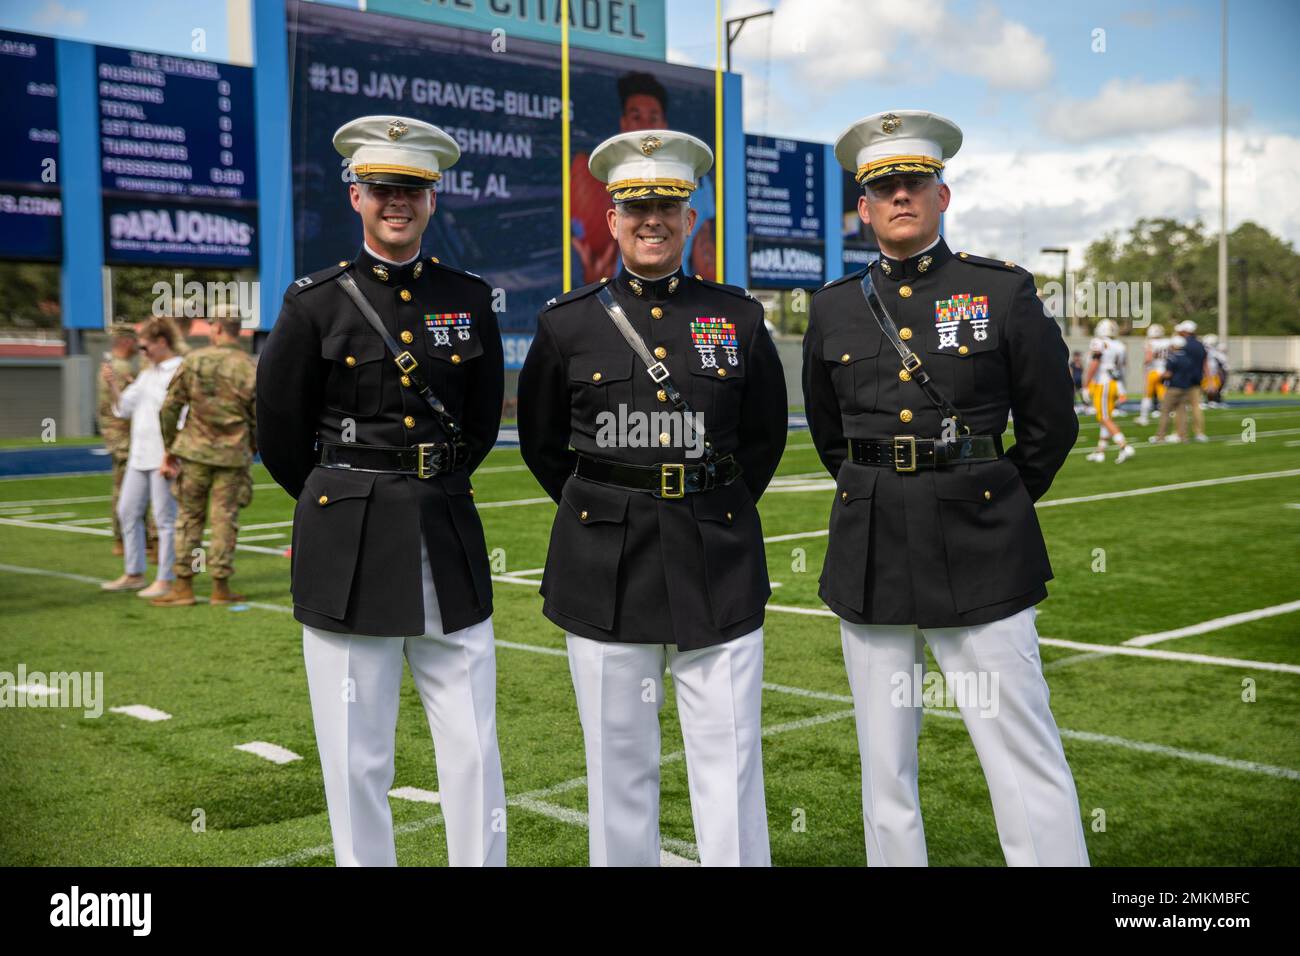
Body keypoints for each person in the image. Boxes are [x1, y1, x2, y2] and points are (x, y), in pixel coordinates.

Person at [802, 110, 1089, 866]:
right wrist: (883, 485)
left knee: (1020, 747)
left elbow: (1050, 424)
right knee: (884, 763)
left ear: (942, 195)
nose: (901, 196)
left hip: (981, 539)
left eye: (915, 183)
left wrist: (988, 492)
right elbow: (832, 434)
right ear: (863, 207)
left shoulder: (1001, 291)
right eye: (884, 186)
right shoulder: (833, 306)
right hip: (871, 544)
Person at [518, 129, 788, 866]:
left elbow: (761, 440)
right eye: (636, 206)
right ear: (612, 220)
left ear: (690, 219)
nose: (652, 220)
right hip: (603, 557)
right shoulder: (566, 323)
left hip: (717, 552)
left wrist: (704, 497)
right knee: (618, 768)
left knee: (728, 762)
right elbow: (546, 447)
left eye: (669, 205)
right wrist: (613, 500)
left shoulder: (738, 318)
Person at [256, 115, 506, 867]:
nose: (398, 201)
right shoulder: (314, 302)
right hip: (349, 543)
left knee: (472, 745)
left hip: (446, 534)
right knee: (357, 754)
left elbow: (483, 422)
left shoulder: (468, 298)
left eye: (414, 190)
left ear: (433, 200)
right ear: (356, 197)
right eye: (383, 189)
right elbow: (279, 435)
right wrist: (351, 494)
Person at [152, 309, 258, 607]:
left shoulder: (194, 360)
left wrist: (170, 445)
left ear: (217, 328)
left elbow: (169, 407)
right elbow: (259, 415)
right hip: (233, 454)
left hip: (194, 451)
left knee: (189, 517)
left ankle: (183, 585)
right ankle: (220, 587)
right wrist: (253, 445)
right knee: (225, 518)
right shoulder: (248, 367)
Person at [99, 317, 182, 597]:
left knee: (164, 518)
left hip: (164, 456)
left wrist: (171, 455)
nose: (141, 352)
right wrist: (112, 384)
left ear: (161, 342)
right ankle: (134, 573)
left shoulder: (178, 370)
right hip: (139, 455)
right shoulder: (149, 373)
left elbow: (182, 415)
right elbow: (123, 409)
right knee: (127, 511)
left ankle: (165, 578)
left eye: (145, 347)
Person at [98, 322, 139, 557]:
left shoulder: (108, 366)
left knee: (121, 488)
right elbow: (126, 405)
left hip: (114, 435)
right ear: (126, 341)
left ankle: (122, 538)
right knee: (126, 490)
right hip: (125, 436)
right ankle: (123, 539)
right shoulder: (122, 369)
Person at [1084, 319, 1135, 463]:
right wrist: (1121, 389)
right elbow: (1123, 367)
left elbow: (1094, 364)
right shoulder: (1120, 345)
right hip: (1115, 384)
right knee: (1106, 418)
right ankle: (1100, 451)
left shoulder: (1099, 342)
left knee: (1104, 418)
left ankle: (1124, 446)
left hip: (1103, 383)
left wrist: (1086, 385)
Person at [1153, 320, 1208, 443]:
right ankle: (1199, 433)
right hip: (1196, 380)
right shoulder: (1200, 344)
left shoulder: (1183, 346)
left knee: (1176, 409)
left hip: (1180, 382)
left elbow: (1173, 368)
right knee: (1195, 407)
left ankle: (1176, 433)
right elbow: (1205, 363)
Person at [1137, 323, 1168, 425]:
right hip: (1164, 371)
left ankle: (1144, 417)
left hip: (1154, 371)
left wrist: (1144, 365)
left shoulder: (1150, 343)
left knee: (1147, 395)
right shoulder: (1167, 342)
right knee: (1162, 394)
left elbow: (1149, 358)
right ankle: (1167, 414)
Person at [1203, 333, 1228, 407]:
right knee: (1210, 387)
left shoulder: (1212, 350)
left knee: (1213, 387)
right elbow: (1222, 360)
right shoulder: (1210, 350)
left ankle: (1213, 401)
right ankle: (1211, 401)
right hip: (1209, 372)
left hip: (1212, 371)